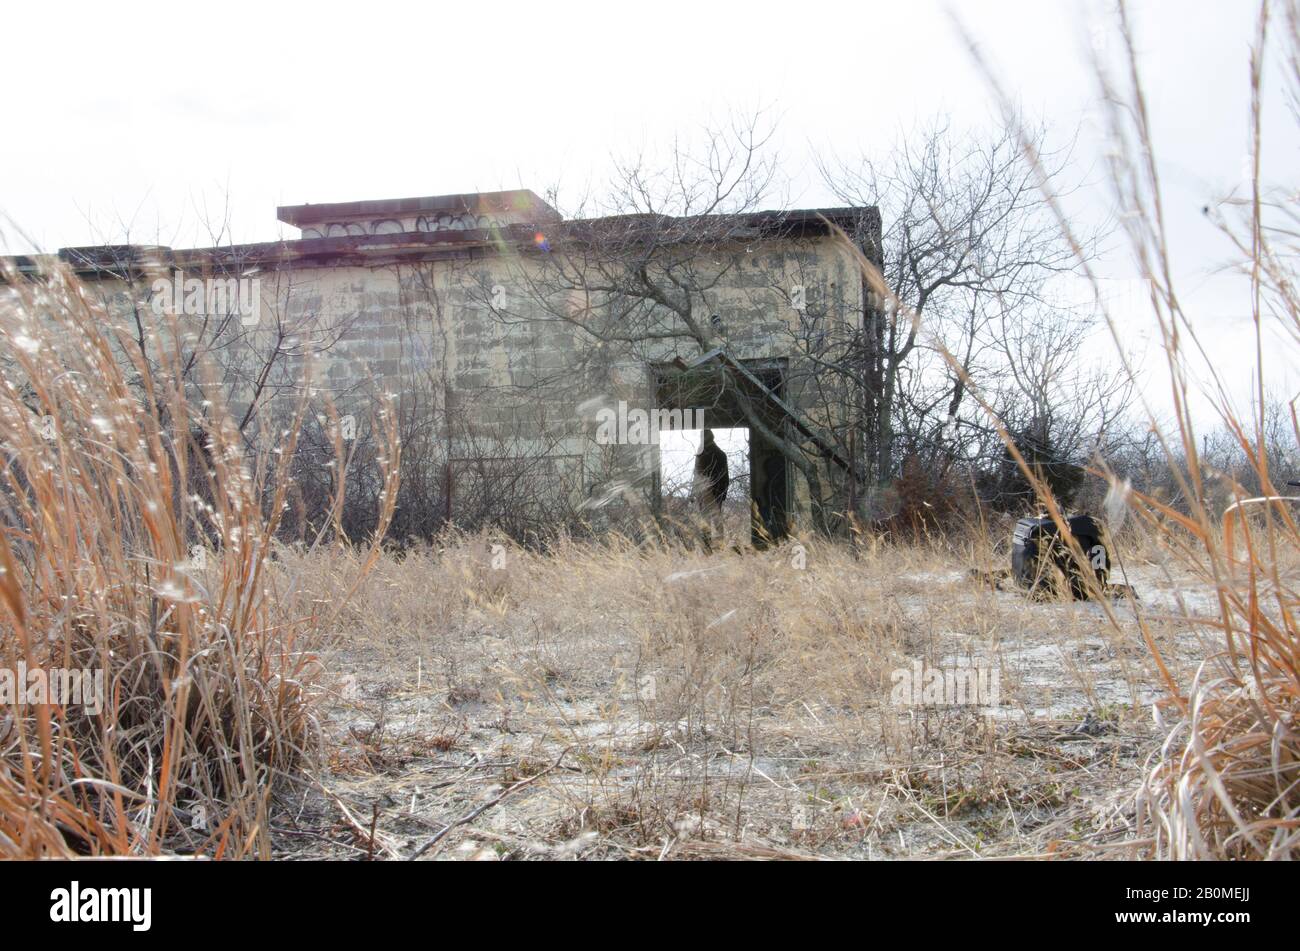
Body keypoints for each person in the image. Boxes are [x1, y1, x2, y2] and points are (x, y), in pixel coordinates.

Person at [693, 429, 729, 549]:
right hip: (716, 492)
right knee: (716, 521)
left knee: (706, 521)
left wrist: (695, 493)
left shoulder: (702, 454)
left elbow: (697, 475)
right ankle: (719, 547)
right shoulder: (720, 454)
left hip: (706, 492)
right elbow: (725, 477)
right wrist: (723, 494)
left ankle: (707, 548)